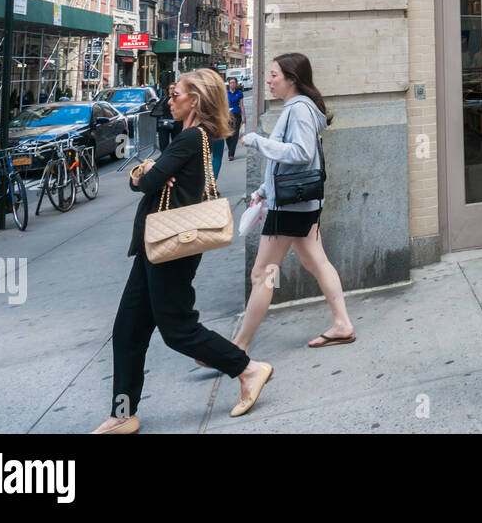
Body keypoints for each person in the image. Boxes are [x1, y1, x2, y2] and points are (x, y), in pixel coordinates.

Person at [92, 68, 273, 433]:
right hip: (156, 245)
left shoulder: (192, 138)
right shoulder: (188, 137)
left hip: (173, 246)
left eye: (176, 94)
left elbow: (149, 182)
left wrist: (148, 170)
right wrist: (145, 170)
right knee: (128, 328)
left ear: (196, 100)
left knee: (177, 329)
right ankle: (122, 415)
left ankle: (248, 368)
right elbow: (144, 178)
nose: (169, 100)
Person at [235, 53, 354, 350]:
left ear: (292, 79)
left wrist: (258, 141)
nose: (269, 80)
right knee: (314, 260)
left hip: (289, 207)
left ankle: (238, 347)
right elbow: (290, 161)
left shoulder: (299, 109)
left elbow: (300, 153)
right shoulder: (299, 108)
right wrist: (264, 189)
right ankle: (342, 324)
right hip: (299, 203)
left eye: (274, 75)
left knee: (262, 273)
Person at [152, 83, 177, 151]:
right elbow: (157, 112)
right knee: (163, 144)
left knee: (176, 144)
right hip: (164, 124)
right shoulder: (164, 99)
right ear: (168, 90)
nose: (172, 90)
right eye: (171, 88)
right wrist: (157, 125)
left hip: (177, 124)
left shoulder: (179, 99)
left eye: (174, 88)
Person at [226, 77, 245, 161]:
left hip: (237, 115)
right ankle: (231, 148)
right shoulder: (226, 93)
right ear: (229, 84)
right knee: (227, 134)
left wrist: (244, 116)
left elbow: (241, 105)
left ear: (236, 84)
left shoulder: (239, 93)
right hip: (227, 116)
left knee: (235, 134)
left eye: (234, 82)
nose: (232, 84)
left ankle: (231, 154)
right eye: (231, 83)